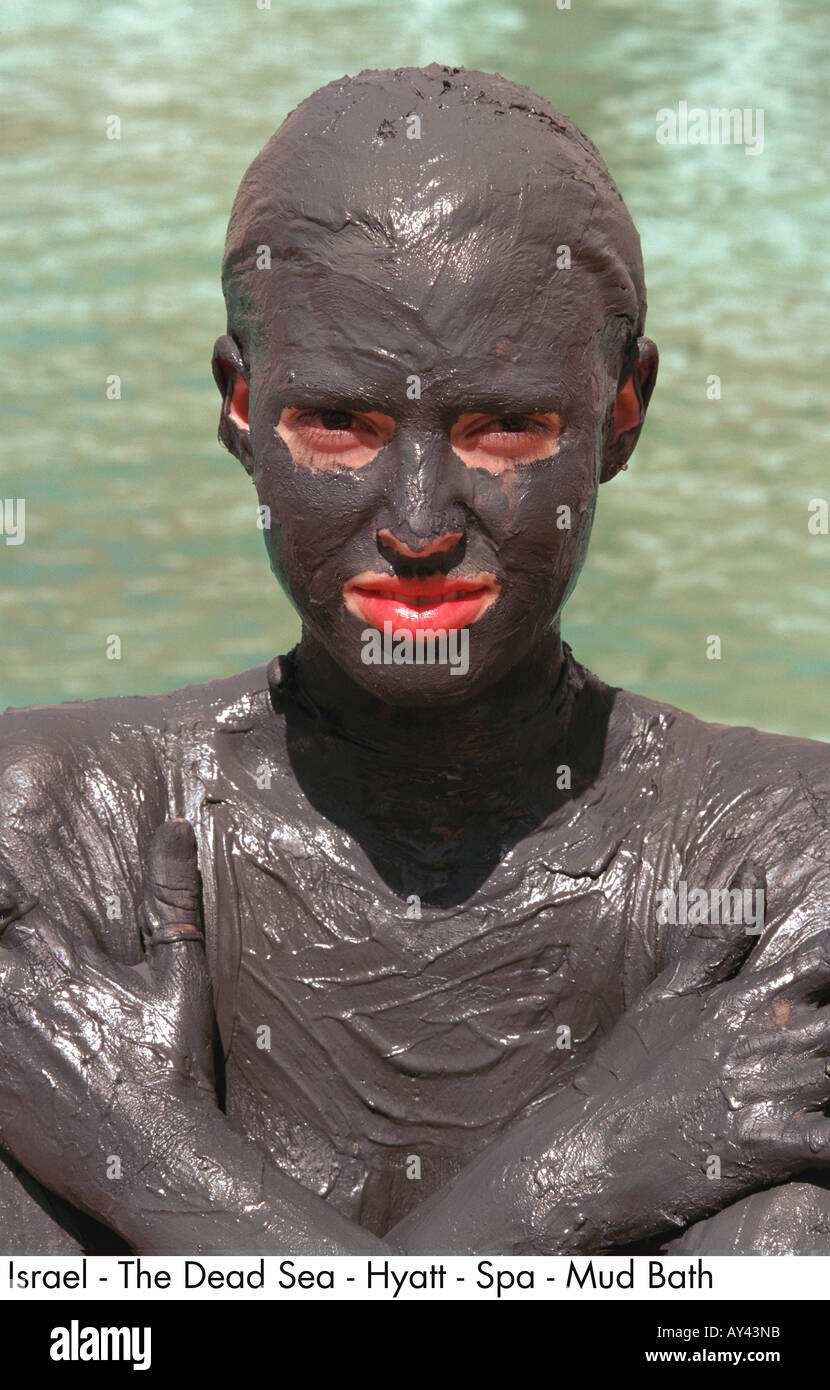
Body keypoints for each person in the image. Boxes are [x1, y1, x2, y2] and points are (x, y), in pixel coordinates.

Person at [2, 63, 830, 1257]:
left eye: (504, 424)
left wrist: (138, 1158)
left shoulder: (780, 868)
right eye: (338, 424)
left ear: (622, 412)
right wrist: (605, 1159)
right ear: (240, 406)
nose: (418, 524)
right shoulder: (48, 835)